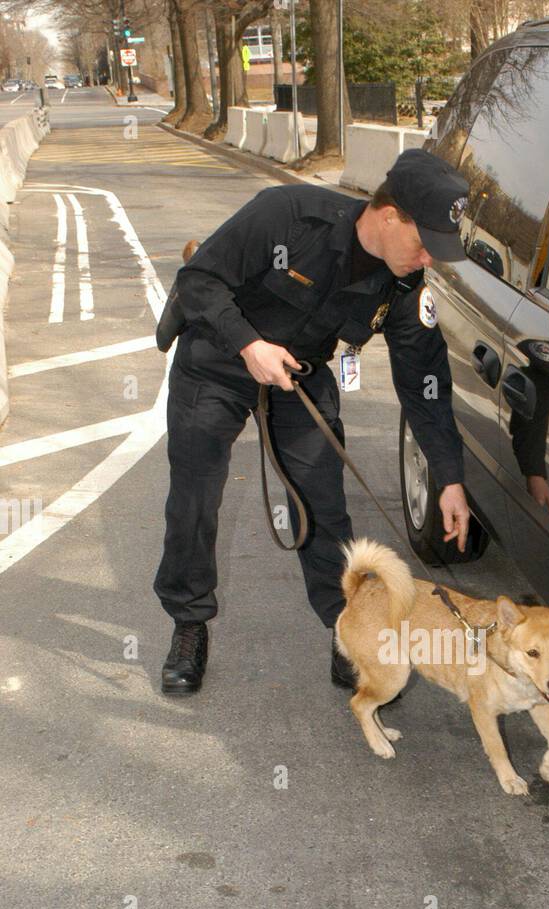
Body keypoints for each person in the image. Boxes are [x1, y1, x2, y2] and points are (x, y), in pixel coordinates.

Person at [153, 148, 472, 695]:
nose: (428, 261)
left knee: (325, 503)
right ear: (389, 214)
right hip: (217, 358)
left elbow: (426, 384)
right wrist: (249, 343)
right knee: (196, 495)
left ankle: (346, 631)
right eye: (424, 245)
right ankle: (189, 622)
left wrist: (450, 478)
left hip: (299, 373)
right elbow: (198, 279)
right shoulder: (289, 215)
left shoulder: (403, 286)